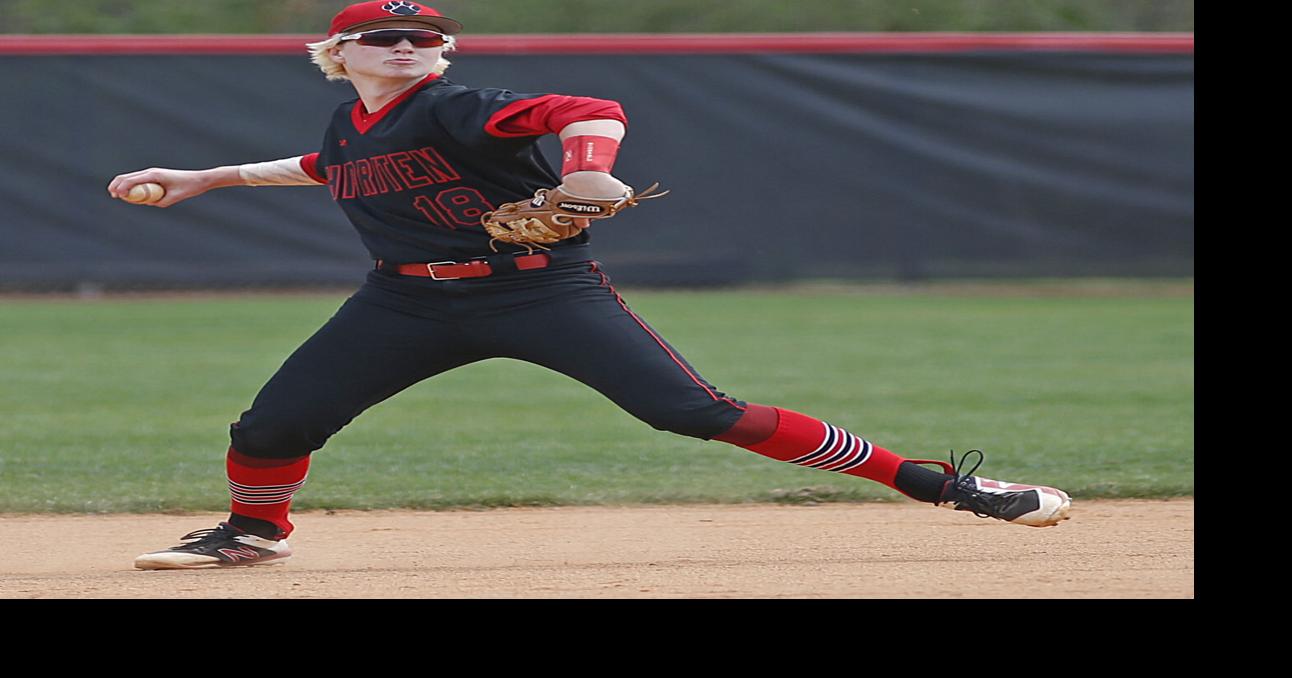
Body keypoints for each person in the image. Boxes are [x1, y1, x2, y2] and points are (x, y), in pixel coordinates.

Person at [111, 1, 1070, 570]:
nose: (407, 47)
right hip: (405, 299)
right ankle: (255, 532)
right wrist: (206, 179)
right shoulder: (352, 127)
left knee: (695, 411)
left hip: (538, 288)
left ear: (442, 56)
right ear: (340, 56)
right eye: (383, 37)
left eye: (423, 37)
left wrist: (590, 166)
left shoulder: (455, 107)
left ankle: (945, 484)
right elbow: (323, 165)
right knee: (270, 428)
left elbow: (587, 108)